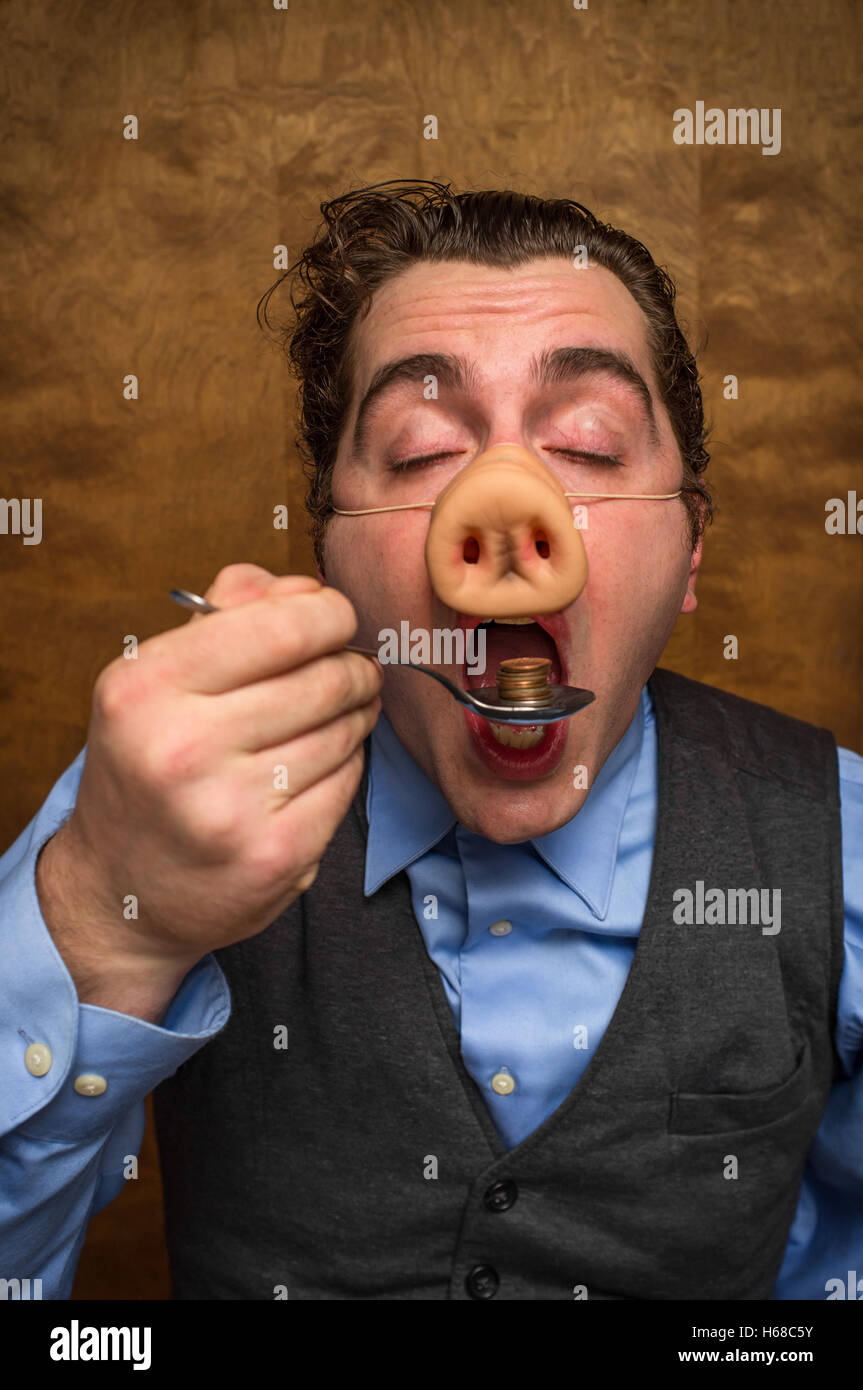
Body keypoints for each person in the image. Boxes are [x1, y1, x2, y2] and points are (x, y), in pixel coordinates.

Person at [1, 180, 860, 1301]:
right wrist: (103, 919)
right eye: (416, 455)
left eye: (590, 448)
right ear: (331, 548)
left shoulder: (831, 842)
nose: (504, 518)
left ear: (690, 551)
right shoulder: (162, 806)